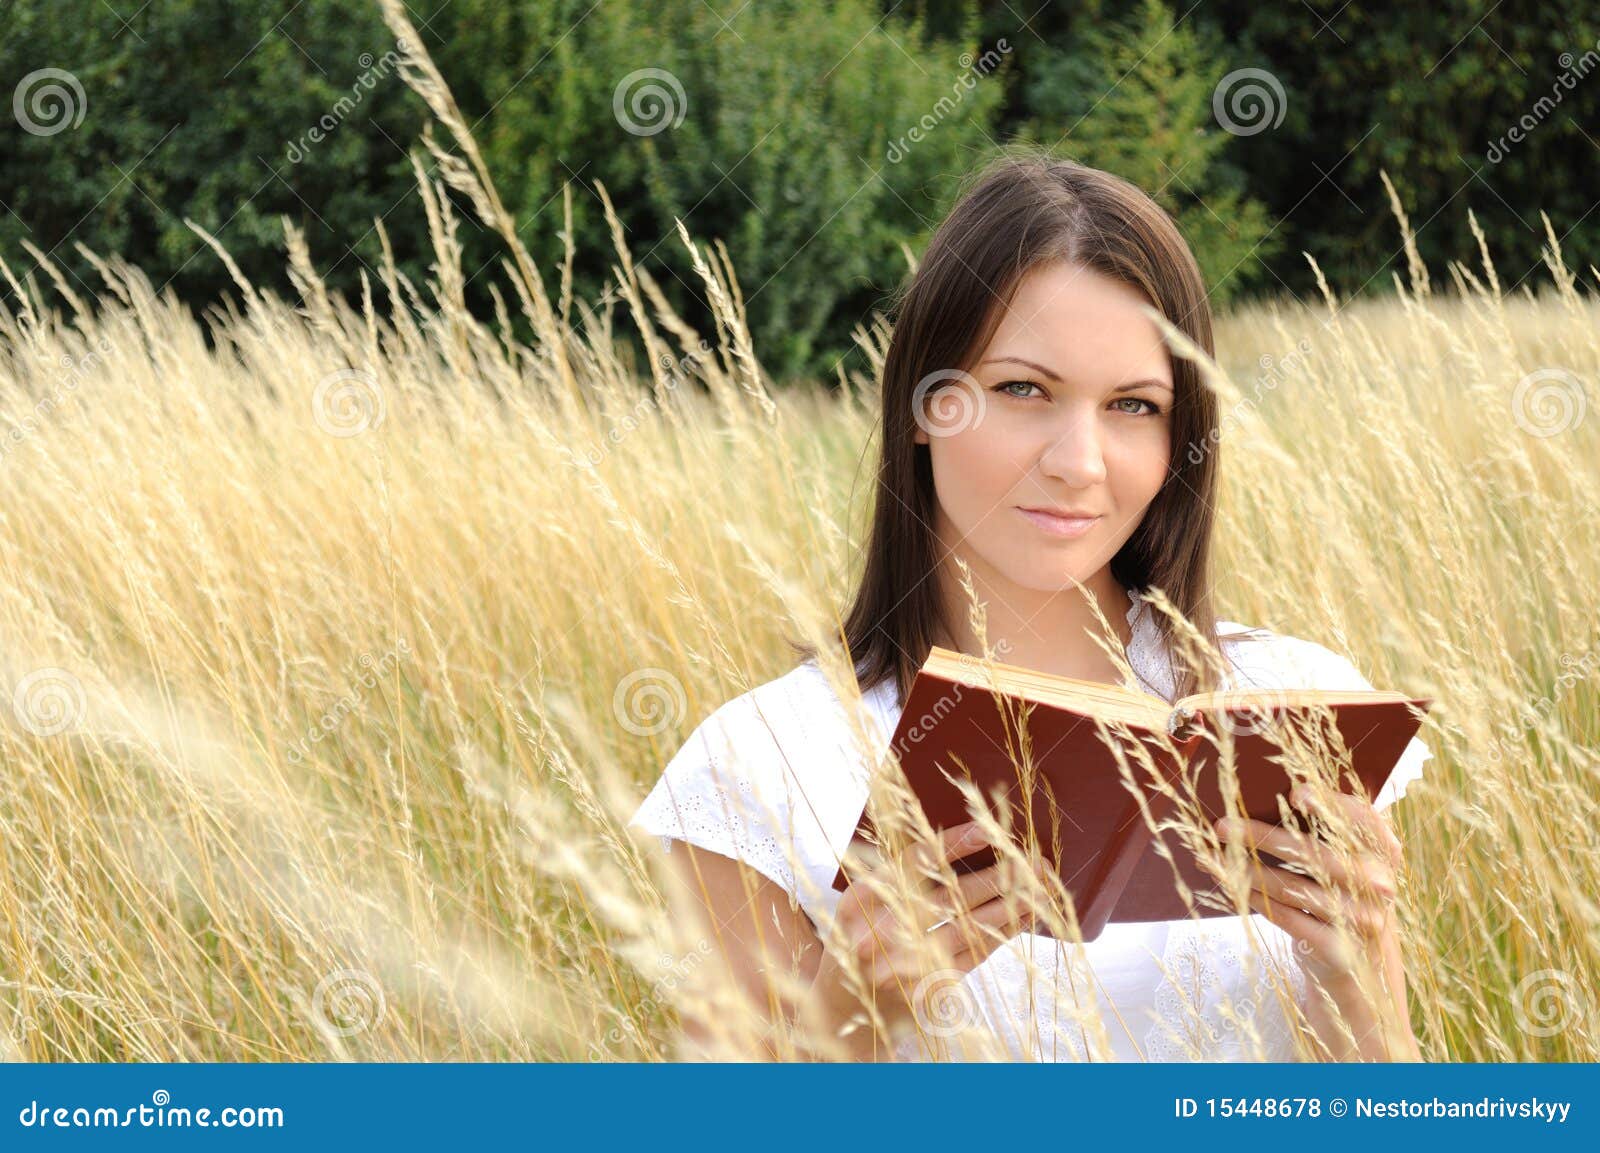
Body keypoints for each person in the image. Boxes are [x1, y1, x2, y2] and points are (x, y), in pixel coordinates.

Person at [629, 152, 1432, 1062]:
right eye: (1024, 390)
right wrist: (849, 1021)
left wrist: (1354, 964)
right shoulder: (761, 763)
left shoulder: (1295, 701)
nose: (1079, 462)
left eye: (1134, 405)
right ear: (928, 402)